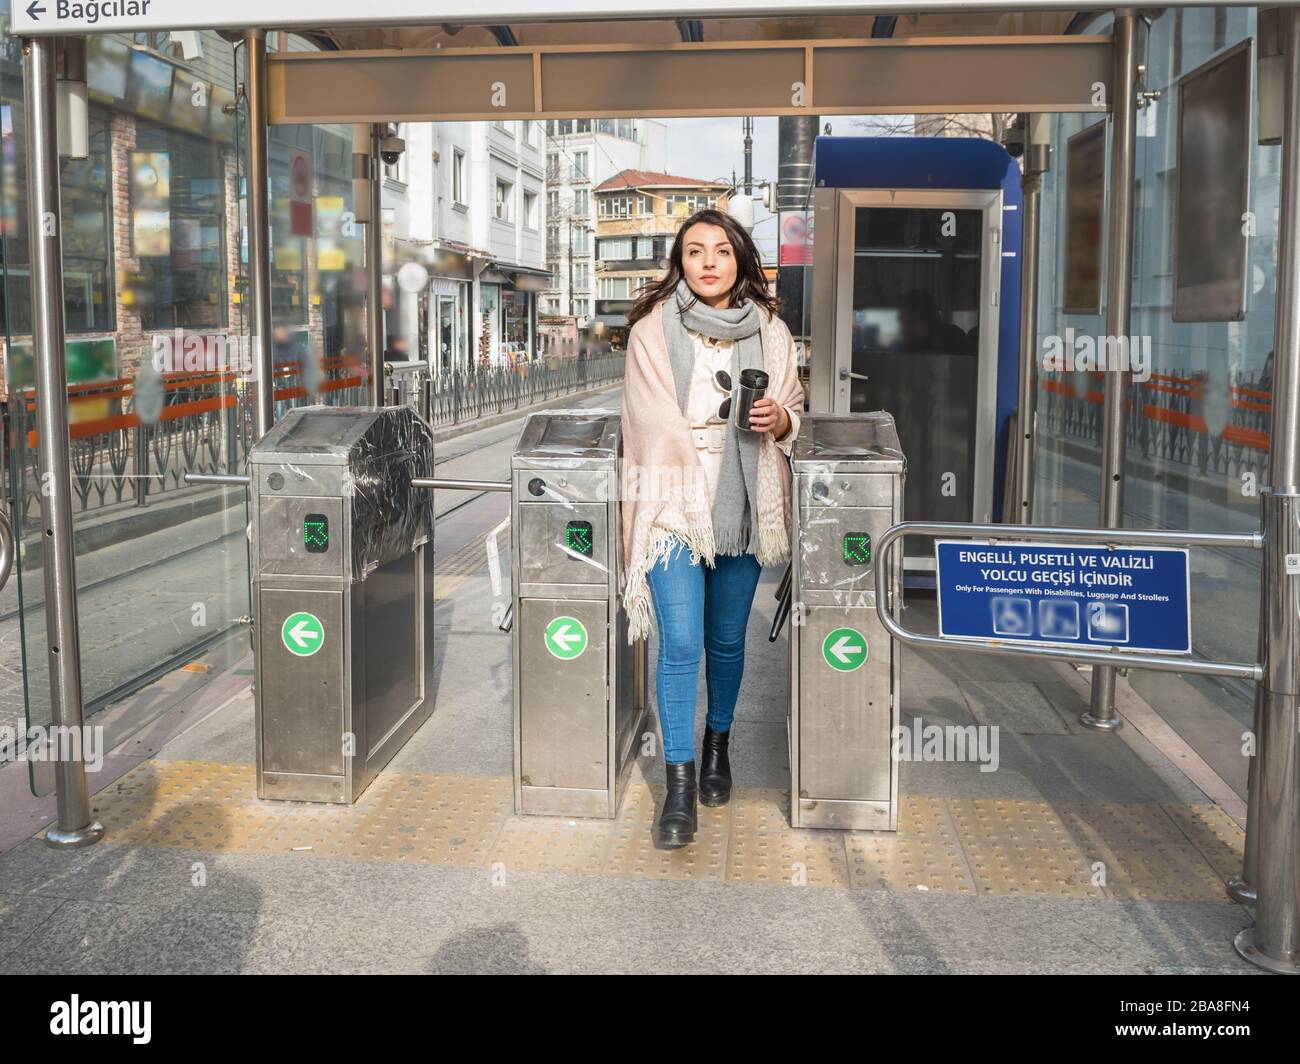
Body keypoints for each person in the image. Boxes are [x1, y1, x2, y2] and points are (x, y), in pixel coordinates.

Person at [619, 208, 803, 847]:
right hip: (673, 505)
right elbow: (648, 425)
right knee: (679, 641)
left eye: (720, 251)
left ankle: (717, 741)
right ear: (679, 262)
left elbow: (793, 414)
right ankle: (677, 786)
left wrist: (777, 419)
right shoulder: (650, 332)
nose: (707, 262)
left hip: (748, 505)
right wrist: (695, 481)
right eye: (693, 251)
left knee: (726, 640)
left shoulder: (772, 332)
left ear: (739, 259)